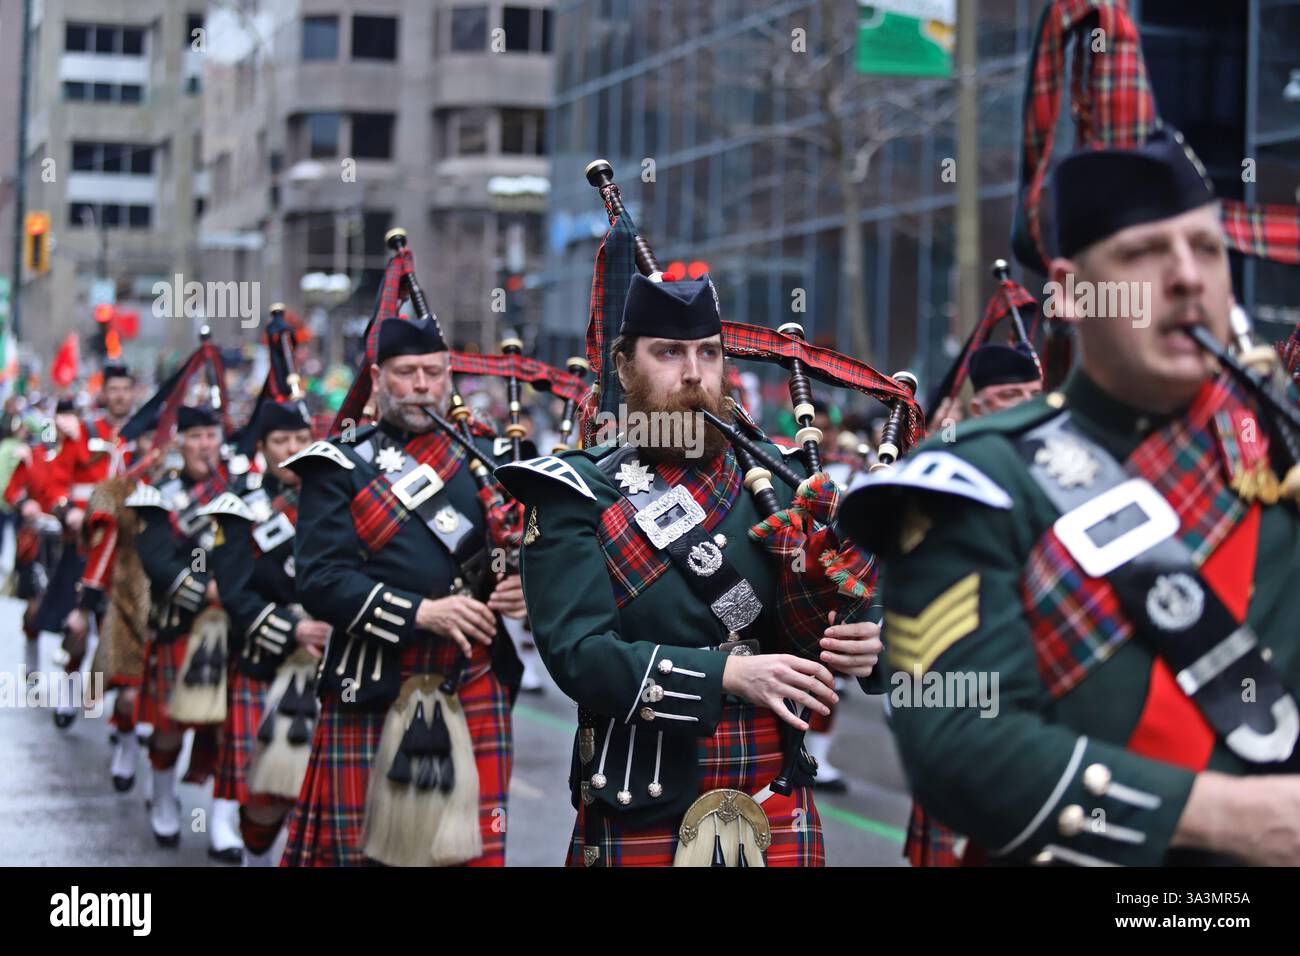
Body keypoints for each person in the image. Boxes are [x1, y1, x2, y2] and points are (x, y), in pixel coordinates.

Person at [839, 128, 1300, 866]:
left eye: (1207, 250)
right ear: (1069, 289)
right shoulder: (976, 485)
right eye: (1144, 253)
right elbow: (959, 740)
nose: (1187, 277)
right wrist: (1227, 817)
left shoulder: (1278, 461)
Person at [497, 272, 884, 867]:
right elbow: (578, 654)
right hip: (643, 800)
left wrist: (868, 646)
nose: (693, 373)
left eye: (709, 353)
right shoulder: (575, 490)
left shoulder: (785, 480)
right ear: (624, 367)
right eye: (669, 353)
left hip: (775, 795)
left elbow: (850, 609)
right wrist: (724, 676)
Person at [280, 315, 525, 867]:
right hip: (373, 682)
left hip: (473, 678)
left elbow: (517, 545)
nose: (422, 385)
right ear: (376, 377)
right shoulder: (337, 465)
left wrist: (520, 585)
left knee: (472, 857)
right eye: (406, 372)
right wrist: (421, 612)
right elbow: (319, 581)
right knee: (363, 857)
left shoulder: (482, 455)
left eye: (434, 373)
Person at [200, 398, 326, 865]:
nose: (292, 448)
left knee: (317, 797)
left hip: (332, 664)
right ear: (262, 446)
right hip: (264, 656)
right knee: (262, 801)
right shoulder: (240, 508)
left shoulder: (339, 496)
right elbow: (233, 592)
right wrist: (293, 629)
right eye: (280, 441)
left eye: (300, 438)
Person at [124, 405, 237, 858]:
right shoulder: (159, 494)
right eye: (196, 437)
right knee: (170, 726)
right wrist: (202, 589)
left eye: (211, 435)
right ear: (180, 443)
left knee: (229, 729)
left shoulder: (236, 489)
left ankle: (221, 822)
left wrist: (231, 590)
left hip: (229, 622)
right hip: (178, 623)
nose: (204, 445)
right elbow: (155, 558)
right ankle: (165, 798)